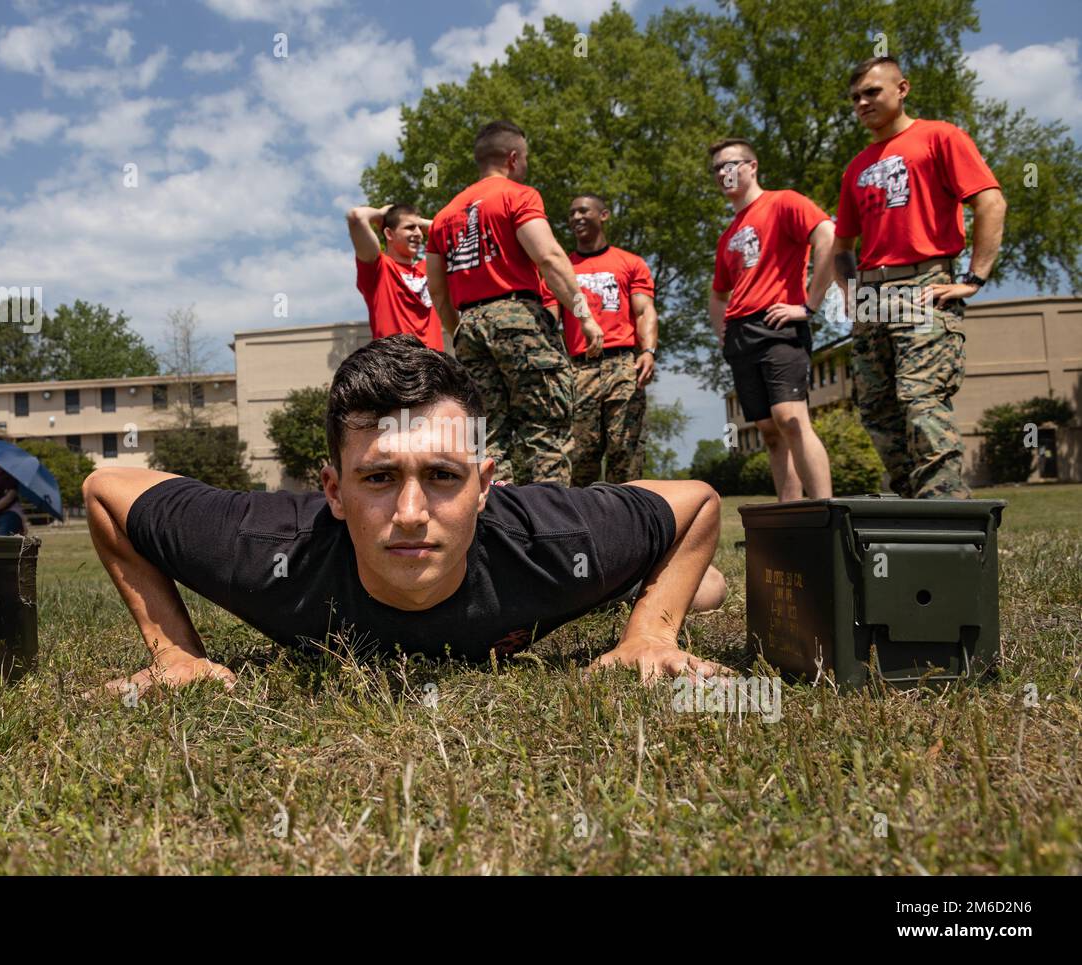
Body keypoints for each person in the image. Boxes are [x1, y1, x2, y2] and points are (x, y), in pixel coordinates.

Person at [83, 334, 729, 697]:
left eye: (444, 476)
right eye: (380, 477)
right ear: (333, 491)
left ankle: (634, 593)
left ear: (484, 485)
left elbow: (697, 503)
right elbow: (106, 488)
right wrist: (174, 652)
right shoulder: (265, 548)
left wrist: (652, 631)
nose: (413, 513)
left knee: (704, 587)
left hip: (570, 575)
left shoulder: (559, 538)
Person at [831, 56, 1006, 499]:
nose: (863, 102)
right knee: (876, 409)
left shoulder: (940, 137)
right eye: (855, 97)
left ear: (902, 88)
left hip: (923, 284)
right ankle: (913, 514)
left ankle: (947, 514)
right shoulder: (856, 167)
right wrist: (854, 295)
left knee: (921, 399)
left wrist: (974, 278)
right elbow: (842, 247)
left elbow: (990, 203)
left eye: (872, 92)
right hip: (872, 293)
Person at [424, 120, 604, 485]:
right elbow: (550, 256)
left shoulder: (443, 217)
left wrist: (457, 330)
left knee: (488, 436)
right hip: (518, 319)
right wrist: (584, 315)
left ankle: (498, 526)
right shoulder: (517, 195)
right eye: (525, 158)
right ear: (513, 157)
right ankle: (550, 526)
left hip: (469, 324)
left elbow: (438, 291)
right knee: (546, 427)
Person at [708, 137, 835, 501]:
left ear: (752, 167)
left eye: (730, 164)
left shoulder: (785, 202)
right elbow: (718, 294)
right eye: (717, 168)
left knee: (790, 418)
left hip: (779, 325)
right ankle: (789, 518)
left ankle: (827, 515)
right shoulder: (728, 235)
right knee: (767, 429)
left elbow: (828, 236)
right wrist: (723, 333)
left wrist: (809, 305)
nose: (722, 173)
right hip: (741, 335)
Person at [542, 193, 658, 486]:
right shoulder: (560, 271)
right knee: (581, 454)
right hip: (579, 369)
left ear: (603, 215)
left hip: (623, 364)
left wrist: (649, 351)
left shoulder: (630, 263)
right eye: (572, 214)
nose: (577, 218)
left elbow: (644, 311)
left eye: (584, 211)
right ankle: (583, 523)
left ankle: (629, 522)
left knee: (625, 450)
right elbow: (549, 321)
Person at [347, 202, 445, 351]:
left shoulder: (429, 268)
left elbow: (452, 232)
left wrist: (417, 221)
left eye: (419, 228)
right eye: (410, 227)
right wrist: (382, 213)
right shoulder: (378, 269)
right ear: (389, 234)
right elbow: (356, 217)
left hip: (433, 369)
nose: (419, 233)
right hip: (394, 369)